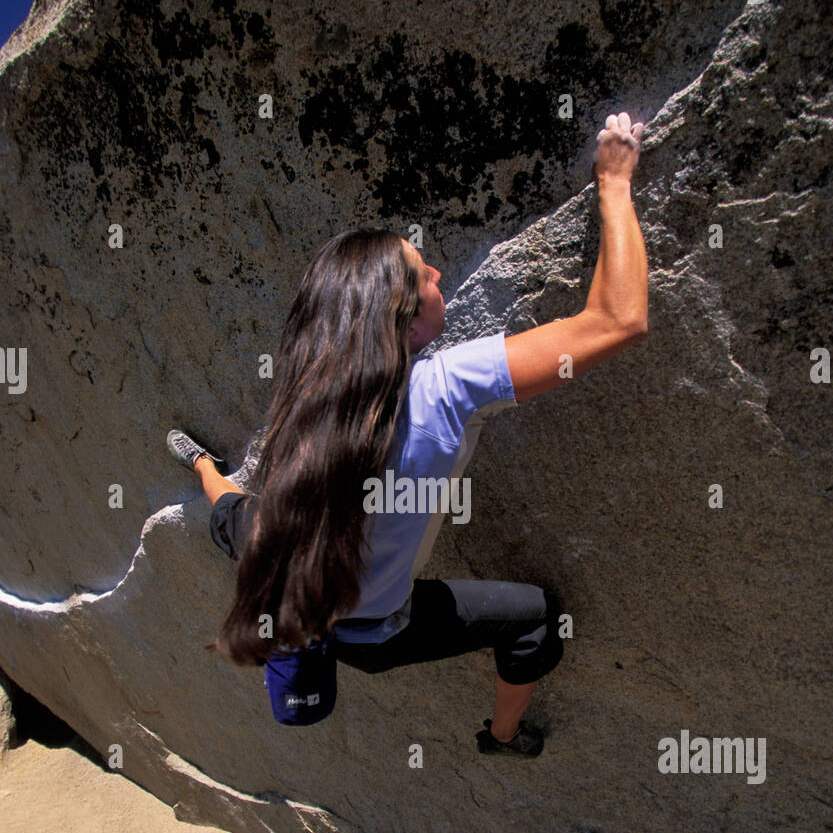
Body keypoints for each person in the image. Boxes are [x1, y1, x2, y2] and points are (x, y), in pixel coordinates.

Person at [167, 111, 648, 756]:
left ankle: (196, 460)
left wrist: (209, 473)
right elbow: (617, 321)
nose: (439, 277)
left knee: (229, 506)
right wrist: (614, 182)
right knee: (534, 617)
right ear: (402, 314)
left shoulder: (306, 403)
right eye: (425, 275)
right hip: (387, 630)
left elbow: (232, 511)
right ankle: (501, 737)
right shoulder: (443, 387)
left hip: (325, 617)